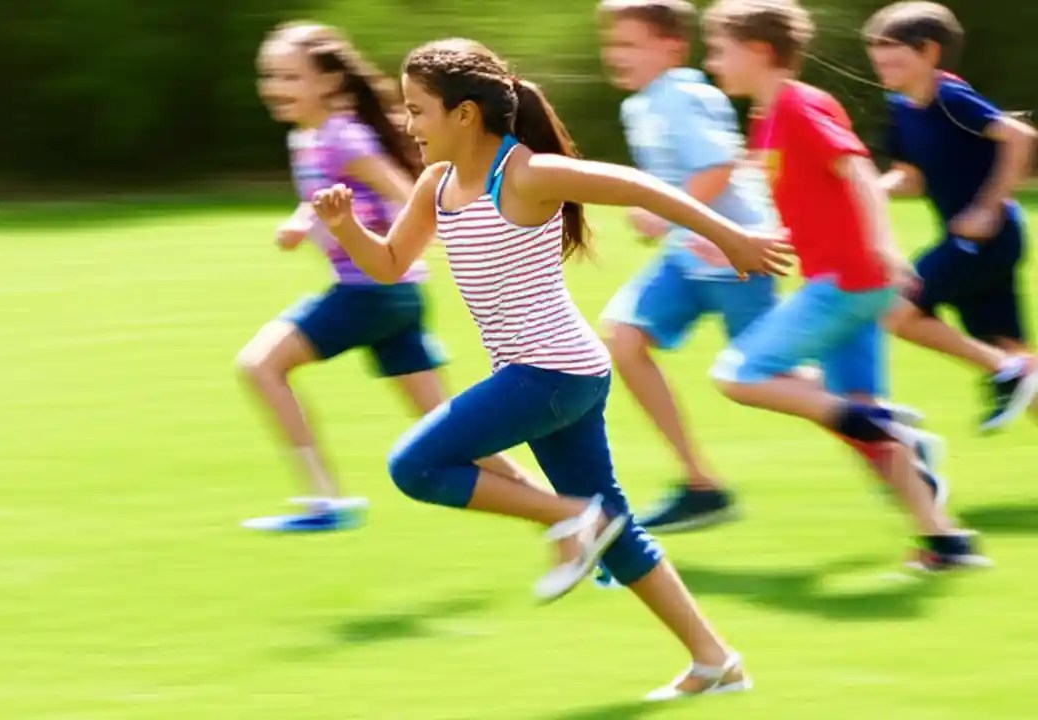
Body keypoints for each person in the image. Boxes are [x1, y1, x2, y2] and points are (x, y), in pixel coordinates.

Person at [313, 37, 791, 699]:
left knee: (416, 465)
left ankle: (573, 519)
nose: (406, 123)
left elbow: (635, 185)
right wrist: (344, 228)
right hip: (553, 374)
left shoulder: (526, 174)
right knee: (617, 523)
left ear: (465, 116)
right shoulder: (438, 184)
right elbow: (391, 264)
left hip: (550, 373)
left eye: (417, 109)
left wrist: (730, 236)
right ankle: (716, 661)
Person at [701, 0, 987, 570]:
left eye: (718, 50)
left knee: (737, 373)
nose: (711, 63)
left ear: (759, 52)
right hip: (853, 285)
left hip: (849, 282)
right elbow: (811, 208)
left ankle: (884, 423)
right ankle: (945, 540)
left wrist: (882, 243)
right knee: (856, 416)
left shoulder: (799, 106)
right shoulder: (766, 120)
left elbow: (856, 170)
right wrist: (746, 242)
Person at [238, 23, 533, 532]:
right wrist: (304, 220)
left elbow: (404, 192)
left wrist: (426, 240)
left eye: (290, 76)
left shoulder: (342, 136)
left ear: (329, 82)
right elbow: (337, 199)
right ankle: (576, 520)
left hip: (370, 292)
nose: (275, 87)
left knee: (260, 365)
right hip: (396, 296)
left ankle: (323, 499)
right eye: (270, 75)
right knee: (451, 434)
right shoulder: (308, 138)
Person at [596, 0, 778, 533]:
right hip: (687, 258)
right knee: (623, 338)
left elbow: (718, 166)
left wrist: (660, 209)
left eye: (630, 43)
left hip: (735, 258)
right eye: (613, 43)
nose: (616, 54)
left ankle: (879, 430)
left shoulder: (686, 95)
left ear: (672, 46)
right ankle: (701, 485)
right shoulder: (640, 105)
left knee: (777, 380)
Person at [864, 1, 1038, 433]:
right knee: (1012, 350)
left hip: (985, 239)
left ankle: (1009, 370)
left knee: (894, 310)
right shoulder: (902, 107)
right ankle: (1012, 369)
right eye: (878, 63)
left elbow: (1020, 136)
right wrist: (865, 192)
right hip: (972, 242)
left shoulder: (950, 97)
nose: (884, 71)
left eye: (895, 62)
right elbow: (909, 179)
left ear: (929, 52)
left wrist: (986, 207)